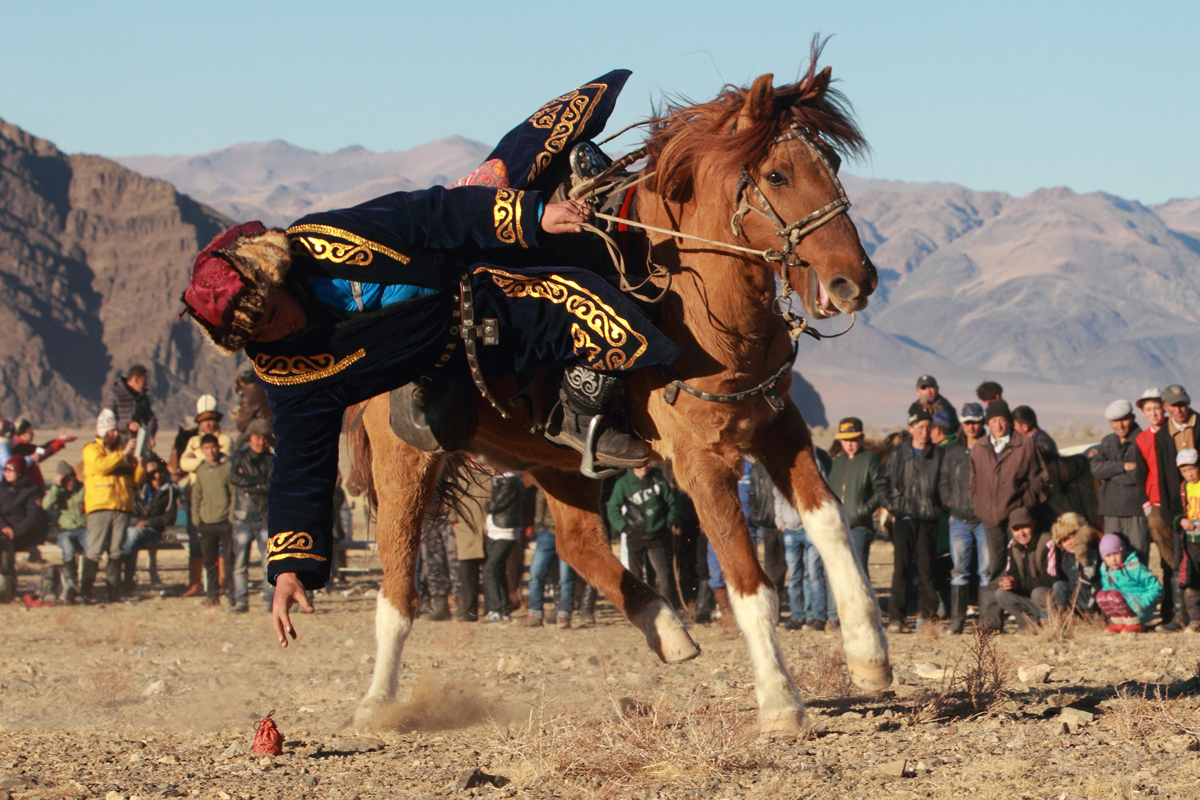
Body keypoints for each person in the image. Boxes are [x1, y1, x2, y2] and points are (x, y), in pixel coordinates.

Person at [968, 399, 1049, 628]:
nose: (998, 425)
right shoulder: (980, 447)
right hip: (990, 519)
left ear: (1009, 421)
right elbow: (972, 481)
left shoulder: (1024, 444)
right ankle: (991, 621)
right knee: (995, 569)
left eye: (1002, 420)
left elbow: (1040, 477)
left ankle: (1026, 619)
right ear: (988, 423)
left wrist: (1024, 506)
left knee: (1020, 568)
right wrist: (979, 503)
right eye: (993, 420)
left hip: (1017, 518)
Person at [885, 409, 944, 632]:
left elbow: (944, 483)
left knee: (926, 569)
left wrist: (939, 506)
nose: (924, 432)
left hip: (928, 519)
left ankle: (927, 617)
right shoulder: (899, 453)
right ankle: (896, 618)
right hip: (904, 518)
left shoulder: (938, 454)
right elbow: (885, 483)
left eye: (928, 427)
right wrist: (893, 505)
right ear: (910, 429)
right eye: (919, 427)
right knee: (900, 569)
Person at [82, 409, 145, 602]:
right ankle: (85, 592)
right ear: (103, 432)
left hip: (121, 508)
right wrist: (123, 453)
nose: (116, 434)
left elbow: (135, 481)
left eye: (116, 430)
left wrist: (139, 465)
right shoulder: (91, 450)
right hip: (100, 507)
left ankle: (113, 592)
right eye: (111, 431)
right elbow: (101, 467)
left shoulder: (121, 455)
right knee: (95, 550)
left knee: (116, 551)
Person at [1135, 388, 1183, 629]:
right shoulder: (1142, 439)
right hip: (1154, 504)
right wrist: (1146, 503)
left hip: (1180, 503)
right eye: (1148, 409)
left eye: (1157, 408)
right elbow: (1141, 473)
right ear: (1143, 413)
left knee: (1183, 557)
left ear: (1164, 408)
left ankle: (1184, 611)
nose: (1154, 413)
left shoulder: (1175, 432)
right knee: (1167, 560)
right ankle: (1172, 612)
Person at [939, 402, 988, 633]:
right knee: (959, 570)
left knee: (987, 570)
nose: (971, 427)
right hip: (958, 518)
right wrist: (948, 500)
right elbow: (944, 479)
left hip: (984, 518)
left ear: (982, 422)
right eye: (967, 422)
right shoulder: (954, 450)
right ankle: (957, 622)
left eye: (975, 422)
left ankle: (988, 622)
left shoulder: (989, 448)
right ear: (961, 423)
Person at [178, 395, 234, 597]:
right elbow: (183, 464)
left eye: (211, 419)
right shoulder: (192, 440)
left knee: (221, 543)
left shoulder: (225, 440)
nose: (208, 423)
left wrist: (197, 457)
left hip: (220, 497)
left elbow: (220, 459)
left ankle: (221, 581)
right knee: (196, 540)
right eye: (203, 419)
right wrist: (204, 458)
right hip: (196, 495)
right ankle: (195, 583)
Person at [607, 465, 680, 609]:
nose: (644, 467)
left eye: (646, 463)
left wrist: (667, 524)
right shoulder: (624, 483)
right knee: (635, 576)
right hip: (635, 535)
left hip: (657, 535)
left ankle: (665, 608)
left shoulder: (657, 479)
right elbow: (613, 508)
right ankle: (638, 608)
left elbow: (672, 503)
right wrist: (625, 528)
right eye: (640, 465)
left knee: (664, 574)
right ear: (633, 466)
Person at [1089, 399, 1149, 565]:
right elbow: (1096, 469)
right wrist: (1123, 466)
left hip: (1135, 509)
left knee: (1137, 559)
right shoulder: (1108, 441)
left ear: (1133, 417)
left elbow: (1138, 475)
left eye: (1124, 419)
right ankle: (1116, 592)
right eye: (1115, 421)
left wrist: (1110, 471)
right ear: (1109, 422)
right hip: (1110, 511)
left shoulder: (1143, 440)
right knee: (1112, 559)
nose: (1120, 425)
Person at [775, 459, 832, 631]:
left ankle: (817, 616)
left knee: (813, 573)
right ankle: (797, 616)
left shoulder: (814, 462)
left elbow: (823, 490)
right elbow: (777, 495)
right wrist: (780, 522)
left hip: (811, 526)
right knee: (794, 576)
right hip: (790, 529)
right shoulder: (779, 463)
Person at [827, 417, 888, 572]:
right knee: (838, 570)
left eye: (853, 439)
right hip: (838, 526)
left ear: (862, 438)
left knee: (858, 570)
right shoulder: (838, 461)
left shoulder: (870, 459)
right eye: (845, 440)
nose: (849, 444)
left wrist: (863, 511)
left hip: (859, 527)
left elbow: (880, 490)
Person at [993, 508, 1065, 631]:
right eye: (1016, 529)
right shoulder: (1013, 545)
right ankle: (1031, 624)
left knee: (1037, 593)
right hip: (1029, 595)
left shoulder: (1047, 542)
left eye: (1025, 527)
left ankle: (1053, 621)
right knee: (1001, 594)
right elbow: (1012, 573)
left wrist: (1019, 583)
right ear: (1011, 530)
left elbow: (1052, 578)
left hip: (1048, 594)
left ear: (1033, 524)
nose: (1021, 533)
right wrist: (1007, 581)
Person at [228, 418, 274, 612]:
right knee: (239, 563)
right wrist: (258, 483)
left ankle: (268, 601)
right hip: (243, 516)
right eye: (257, 437)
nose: (260, 442)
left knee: (268, 564)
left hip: (264, 516)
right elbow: (234, 478)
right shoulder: (239, 456)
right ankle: (241, 601)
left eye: (264, 438)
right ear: (249, 439)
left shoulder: (272, 459)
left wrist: (250, 484)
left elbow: (271, 484)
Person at [120, 458, 179, 594]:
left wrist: (148, 522)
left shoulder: (169, 492)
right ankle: (128, 581)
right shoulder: (141, 490)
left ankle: (123, 577)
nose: (157, 476)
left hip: (154, 532)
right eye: (153, 473)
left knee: (132, 536)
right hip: (135, 530)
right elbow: (133, 511)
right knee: (132, 541)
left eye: (159, 472)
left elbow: (170, 518)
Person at [192, 433, 234, 608]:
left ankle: (232, 595)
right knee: (209, 561)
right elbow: (196, 495)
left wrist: (231, 517)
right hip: (206, 521)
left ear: (218, 447)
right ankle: (212, 595)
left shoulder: (227, 467)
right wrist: (196, 518)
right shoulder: (201, 470)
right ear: (202, 450)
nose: (211, 451)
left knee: (230, 560)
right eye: (206, 448)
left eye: (213, 447)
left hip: (225, 521)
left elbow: (233, 493)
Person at [525, 485, 575, 628]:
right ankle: (535, 615)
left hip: (567, 533)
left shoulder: (574, 477)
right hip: (547, 531)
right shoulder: (550, 476)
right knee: (535, 574)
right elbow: (541, 497)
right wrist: (539, 523)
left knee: (566, 577)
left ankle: (563, 615)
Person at [0, 456, 50, 597]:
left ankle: (7, 584)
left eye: (12, 471)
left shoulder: (31, 491)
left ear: (20, 473)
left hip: (23, 534)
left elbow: (33, 517)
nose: (7, 474)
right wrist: (3, 526)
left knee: (4, 544)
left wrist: (14, 531)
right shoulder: (1, 488)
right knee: (3, 542)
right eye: (5, 470)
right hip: (3, 531)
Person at [480, 471, 523, 623]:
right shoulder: (500, 479)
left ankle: (496, 609)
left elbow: (497, 504)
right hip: (496, 529)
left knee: (489, 570)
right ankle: (503, 609)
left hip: (504, 531)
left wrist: (489, 506)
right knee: (497, 570)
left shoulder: (509, 480)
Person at [1097, 533, 1161, 634]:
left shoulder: (1134, 567)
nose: (1113, 559)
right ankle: (1120, 623)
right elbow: (1107, 588)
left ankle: (1135, 623)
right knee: (1101, 595)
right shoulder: (1106, 569)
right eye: (1108, 556)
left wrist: (1144, 603)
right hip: (1124, 603)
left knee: (1114, 595)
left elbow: (1155, 587)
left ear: (1122, 552)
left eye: (1116, 554)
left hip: (1141, 605)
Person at [42, 462, 87, 603]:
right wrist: (56, 487)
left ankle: (86, 587)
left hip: (84, 529)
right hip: (66, 530)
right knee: (67, 550)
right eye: (65, 480)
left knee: (92, 549)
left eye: (70, 479)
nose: (69, 483)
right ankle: (72, 584)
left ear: (74, 477)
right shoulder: (59, 492)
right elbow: (45, 504)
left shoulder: (84, 490)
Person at [6, 418, 76, 495]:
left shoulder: (22, 447)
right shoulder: (21, 448)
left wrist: (59, 440)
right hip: (29, 494)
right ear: (22, 433)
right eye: (30, 432)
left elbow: (42, 450)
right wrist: (60, 441)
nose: (33, 434)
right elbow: (43, 452)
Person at [1050, 512, 1101, 614]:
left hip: (1095, 599)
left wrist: (1091, 606)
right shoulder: (1065, 559)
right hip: (1078, 598)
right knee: (1059, 586)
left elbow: (1099, 582)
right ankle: (1059, 619)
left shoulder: (1094, 553)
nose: (1069, 543)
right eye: (1064, 540)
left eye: (1071, 537)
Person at [1175, 449, 1200, 633]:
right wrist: (1181, 521)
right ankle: (1196, 620)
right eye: (1185, 470)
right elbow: (1175, 512)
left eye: (1192, 468)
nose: (1190, 474)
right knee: (1193, 580)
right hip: (1191, 541)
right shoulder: (1182, 488)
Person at [100, 364, 158, 441]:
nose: (146, 385)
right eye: (144, 382)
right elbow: (105, 420)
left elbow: (151, 419)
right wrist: (127, 426)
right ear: (136, 380)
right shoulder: (114, 394)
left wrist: (150, 435)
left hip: (136, 445)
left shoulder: (143, 398)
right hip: (117, 446)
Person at [233, 368, 273, 448]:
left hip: (263, 433)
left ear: (240, 380)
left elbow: (242, 424)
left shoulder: (250, 394)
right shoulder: (264, 388)